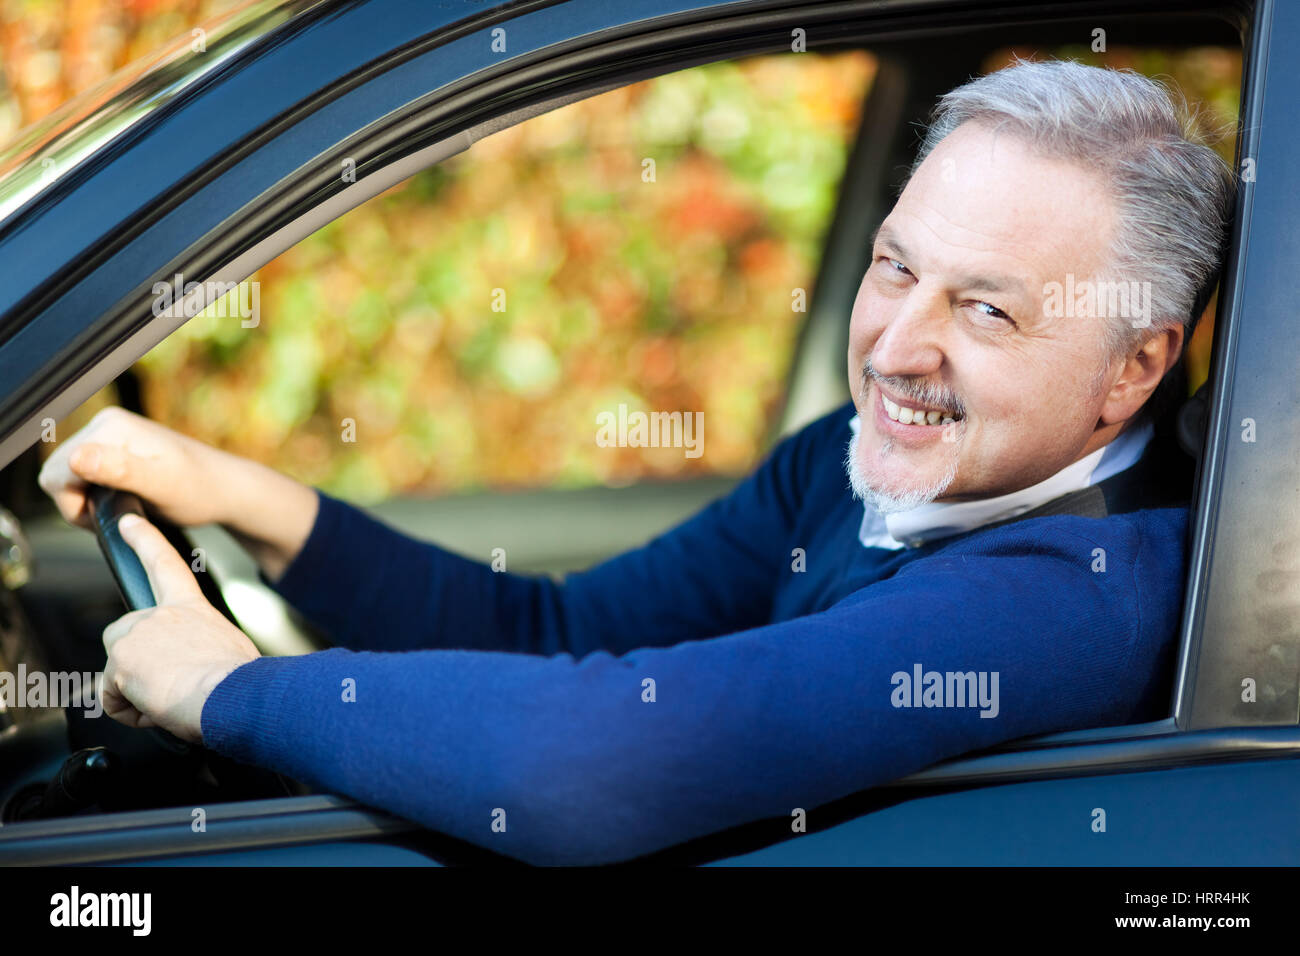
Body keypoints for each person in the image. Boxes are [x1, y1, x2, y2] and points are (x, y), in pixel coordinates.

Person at [38, 59, 1235, 864]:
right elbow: (557, 634)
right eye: (894, 266)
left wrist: (228, 690)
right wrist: (235, 493)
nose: (897, 347)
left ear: (1132, 368)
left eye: (987, 311)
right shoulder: (880, 459)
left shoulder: (1080, 590)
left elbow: (588, 769)